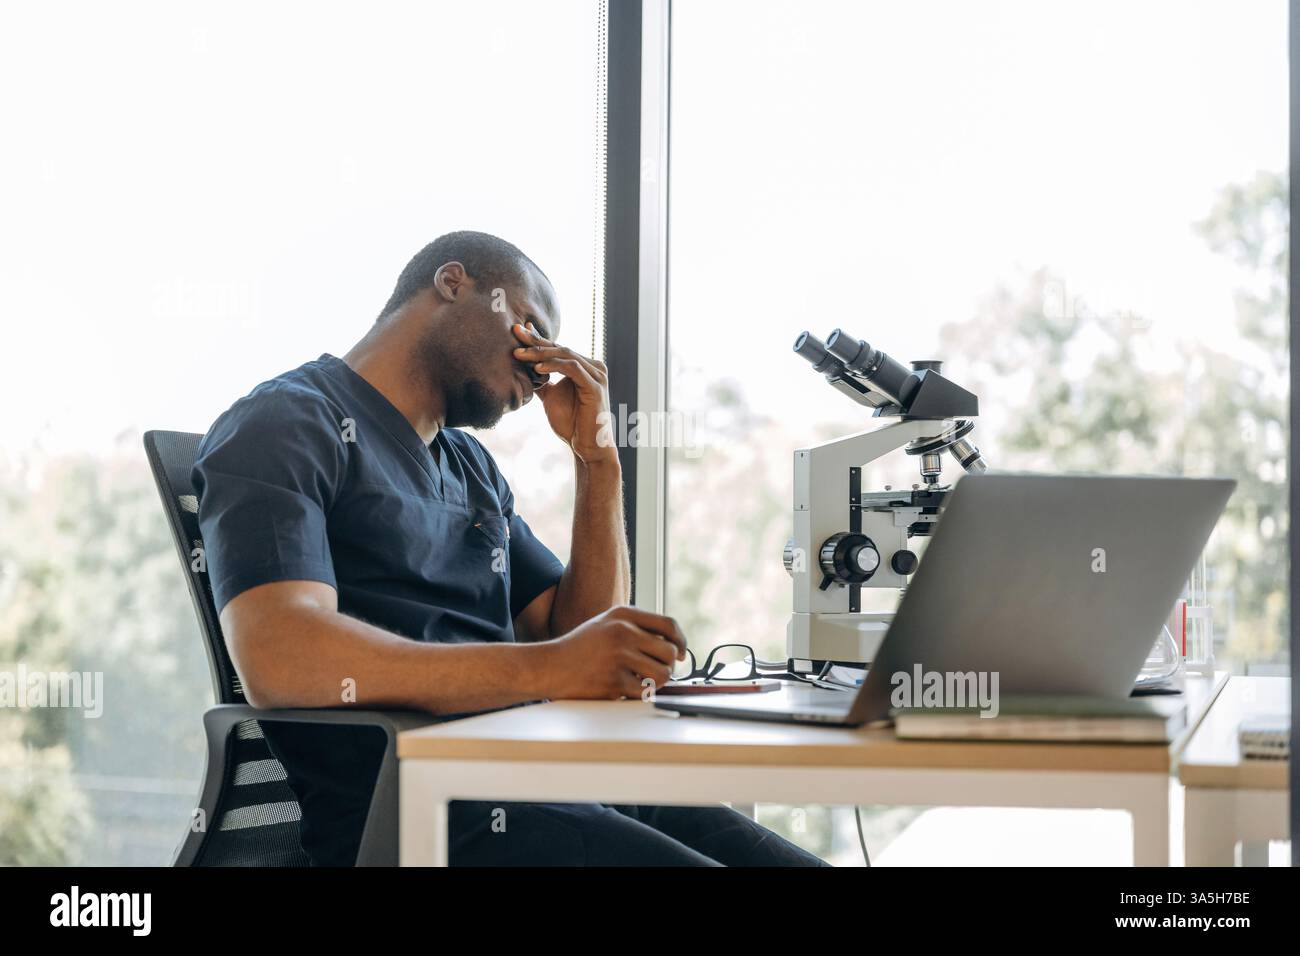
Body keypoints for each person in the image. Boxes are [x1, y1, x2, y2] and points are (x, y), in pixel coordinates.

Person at [193, 230, 828, 866]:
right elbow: (281, 655)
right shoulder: (287, 422)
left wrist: (596, 463)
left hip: (544, 778)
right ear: (452, 283)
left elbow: (579, 638)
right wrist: (551, 668)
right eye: (529, 327)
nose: (540, 364)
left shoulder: (468, 465)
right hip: (419, 814)